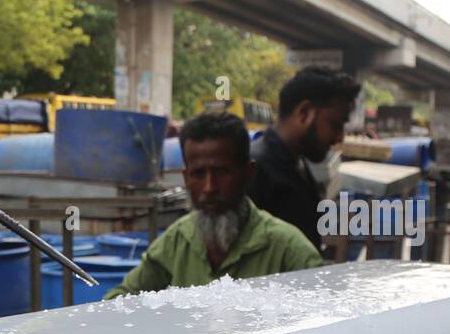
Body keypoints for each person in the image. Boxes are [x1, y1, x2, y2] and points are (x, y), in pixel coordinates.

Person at [103, 112, 321, 298]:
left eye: (222, 172)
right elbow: (120, 302)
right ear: (186, 178)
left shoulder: (289, 250)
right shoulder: (177, 242)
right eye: (198, 174)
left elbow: (325, 322)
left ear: (248, 174)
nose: (209, 187)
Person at [247, 66, 361, 252]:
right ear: (305, 113)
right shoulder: (254, 170)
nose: (340, 138)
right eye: (335, 124)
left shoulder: (297, 163)